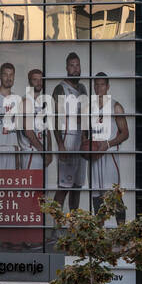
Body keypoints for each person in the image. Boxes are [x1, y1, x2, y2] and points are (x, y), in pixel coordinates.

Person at [89, 72, 129, 223]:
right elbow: (86, 133)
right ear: (93, 86)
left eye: (102, 84)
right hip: (94, 157)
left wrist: (107, 144)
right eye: (96, 84)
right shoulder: (89, 108)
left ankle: (122, 234)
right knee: (96, 197)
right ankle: (99, 235)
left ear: (108, 86)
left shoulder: (116, 107)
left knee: (114, 197)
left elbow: (125, 133)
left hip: (109, 155)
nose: (99, 87)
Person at [51, 52, 88, 209]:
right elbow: (56, 119)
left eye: (77, 65)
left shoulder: (83, 88)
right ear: (67, 67)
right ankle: (55, 230)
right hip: (67, 140)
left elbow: (86, 116)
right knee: (63, 187)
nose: (75, 69)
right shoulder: (60, 88)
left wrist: (86, 139)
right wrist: (60, 144)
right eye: (72, 65)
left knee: (77, 188)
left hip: (81, 142)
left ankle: (74, 227)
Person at [18, 68, 49, 173]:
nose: (38, 82)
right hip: (30, 152)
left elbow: (47, 129)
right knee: (30, 188)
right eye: (35, 80)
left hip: (41, 152)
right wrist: (43, 151)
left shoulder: (43, 102)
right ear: (29, 81)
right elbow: (28, 131)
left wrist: (49, 151)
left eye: (40, 80)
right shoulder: (26, 101)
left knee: (41, 188)